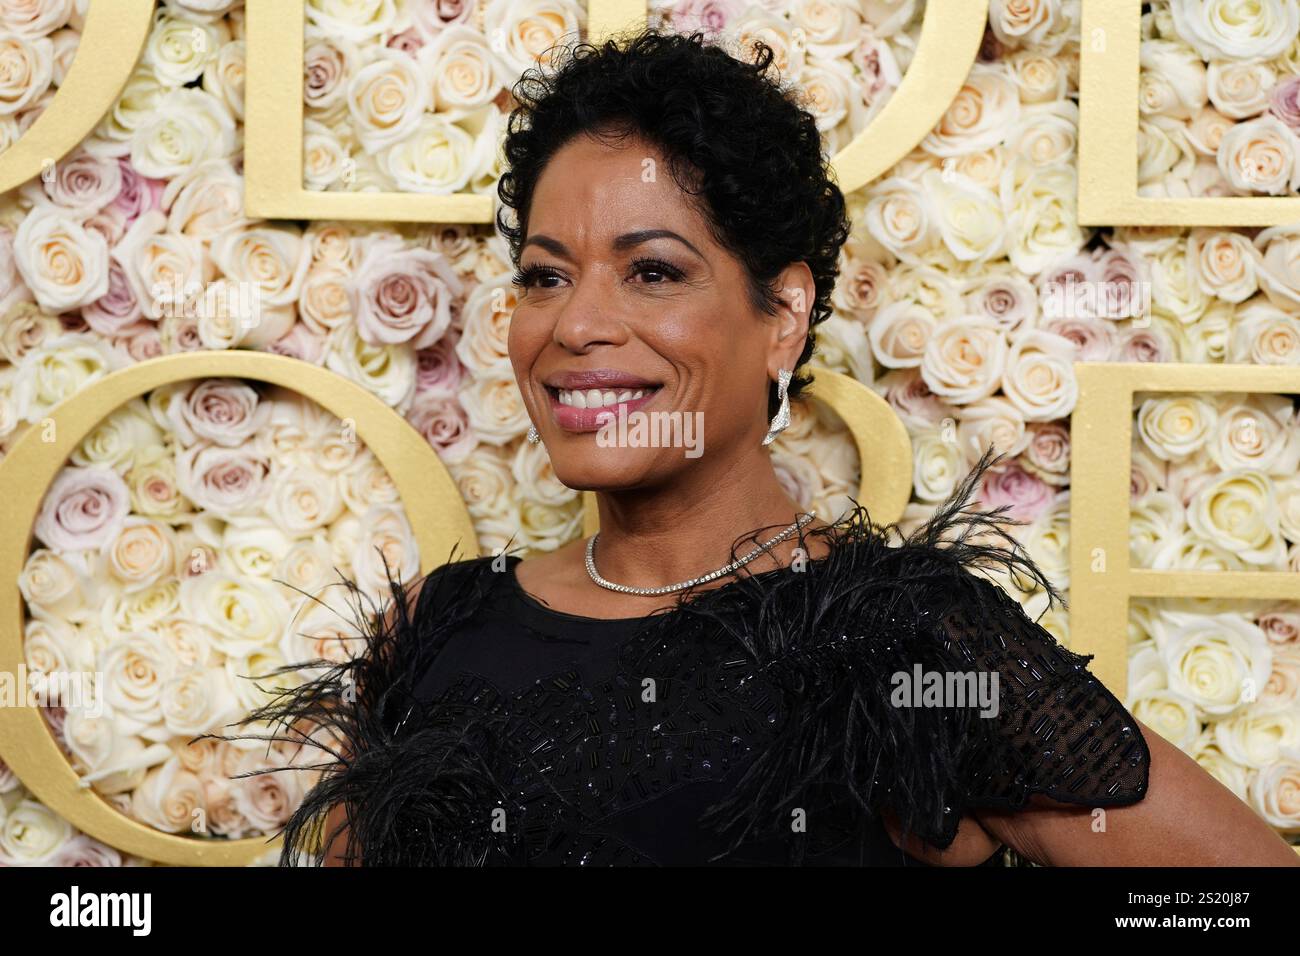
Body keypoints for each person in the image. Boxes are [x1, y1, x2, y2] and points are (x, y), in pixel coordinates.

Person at [216, 28, 1299, 867]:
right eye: (545, 275)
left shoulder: (894, 637)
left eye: (652, 271)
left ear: (781, 312)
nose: (575, 325)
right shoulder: (436, 628)